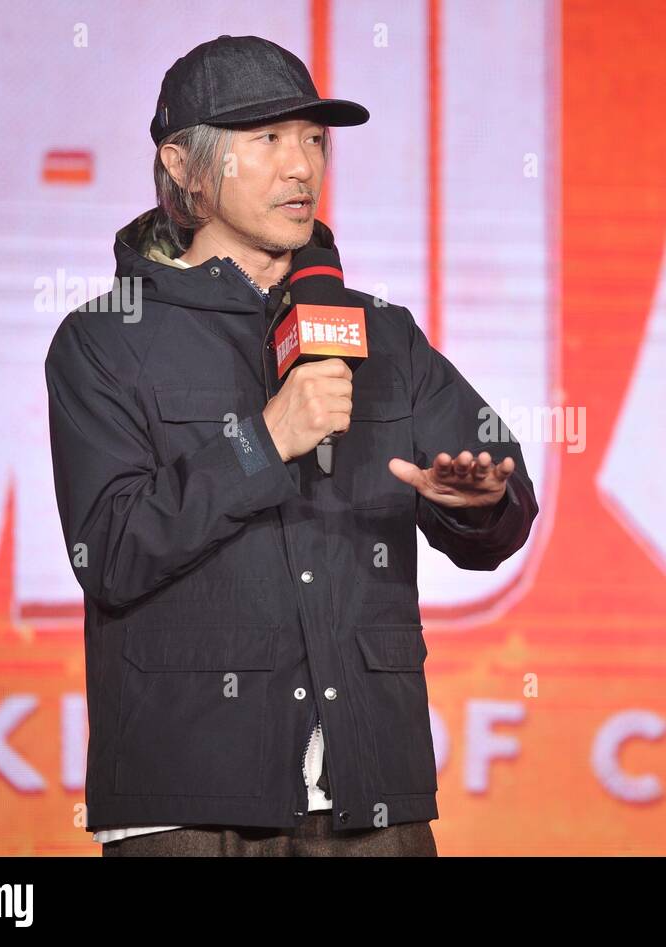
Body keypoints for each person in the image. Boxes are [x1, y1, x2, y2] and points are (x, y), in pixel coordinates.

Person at [44, 34, 537, 856]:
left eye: (314, 140)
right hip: (190, 797)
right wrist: (265, 440)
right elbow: (113, 550)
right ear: (185, 165)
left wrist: (482, 504)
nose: (301, 165)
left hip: (371, 790)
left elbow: (505, 500)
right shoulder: (103, 341)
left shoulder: (382, 333)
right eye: (267, 140)